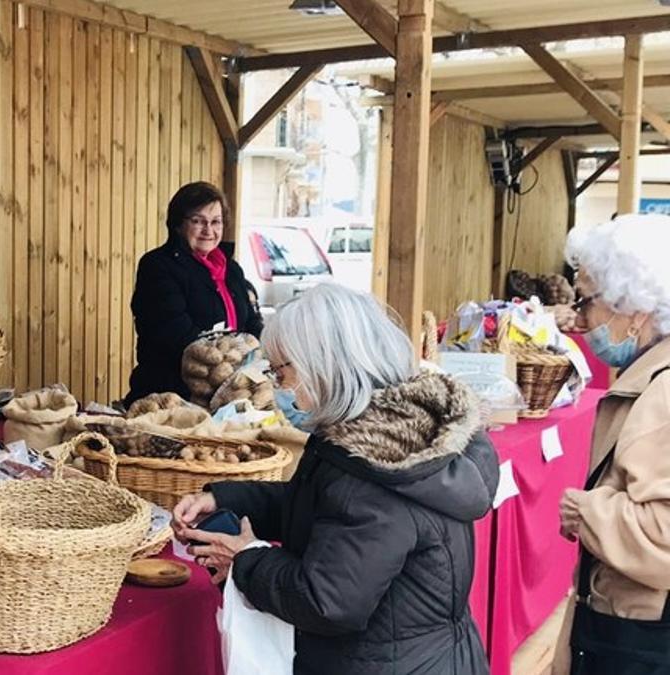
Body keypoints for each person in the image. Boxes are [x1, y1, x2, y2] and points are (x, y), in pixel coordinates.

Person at [173, 284, 497, 675]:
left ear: (324, 365)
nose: (278, 387)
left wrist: (245, 560)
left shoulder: (374, 470)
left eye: (282, 372)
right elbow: (322, 509)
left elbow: (327, 602)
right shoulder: (397, 433)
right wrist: (228, 499)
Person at [553, 214, 670, 675]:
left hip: (639, 636)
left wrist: (587, 511)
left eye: (588, 300)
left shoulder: (662, 392)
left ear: (636, 310)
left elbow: (664, 535)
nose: (581, 320)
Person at [125, 182, 263, 405]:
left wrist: (258, 352)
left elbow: (251, 322)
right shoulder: (158, 266)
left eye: (216, 221)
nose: (209, 230)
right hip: (172, 397)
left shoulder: (231, 269)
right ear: (179, 224)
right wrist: (229, 361)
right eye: (198, 221)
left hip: (228, 394)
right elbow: (176, 333)